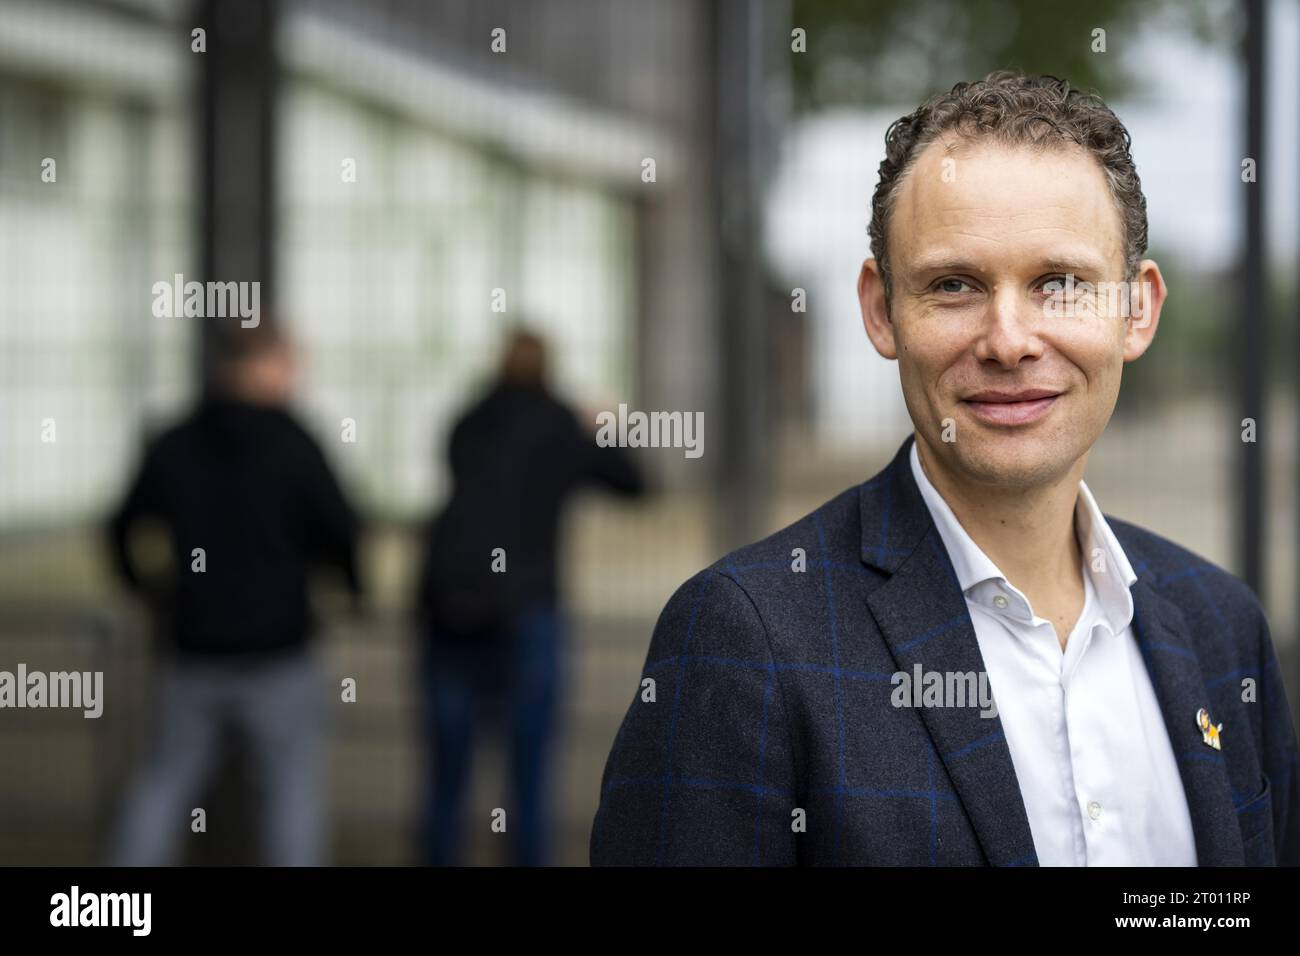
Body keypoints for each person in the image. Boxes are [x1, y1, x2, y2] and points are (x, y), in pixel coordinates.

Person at [591, 71, 1300, 866]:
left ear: (1137, 310)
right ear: (880, 310)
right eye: (954, 285)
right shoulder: (744, 640)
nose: (1008, 340)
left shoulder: (1222, 627)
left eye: (1059, 284)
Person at [106, 318, 361, 866]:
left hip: (192, 647)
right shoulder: (295, 442)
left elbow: (123, 524)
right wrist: (351, 590)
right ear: (262, 364)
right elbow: (341, 529)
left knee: (165, 782)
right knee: (290, 791)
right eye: (288, 363)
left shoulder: (175, 440)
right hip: (279, 649)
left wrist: (149, 590)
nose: (295, 375)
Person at [417, 328, 644, 866]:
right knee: (530, 777)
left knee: (447, 779)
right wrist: (608, 428)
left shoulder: (467, 421)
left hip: (450, 610)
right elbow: (635, 484)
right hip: (527, 612)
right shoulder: (558, 424)